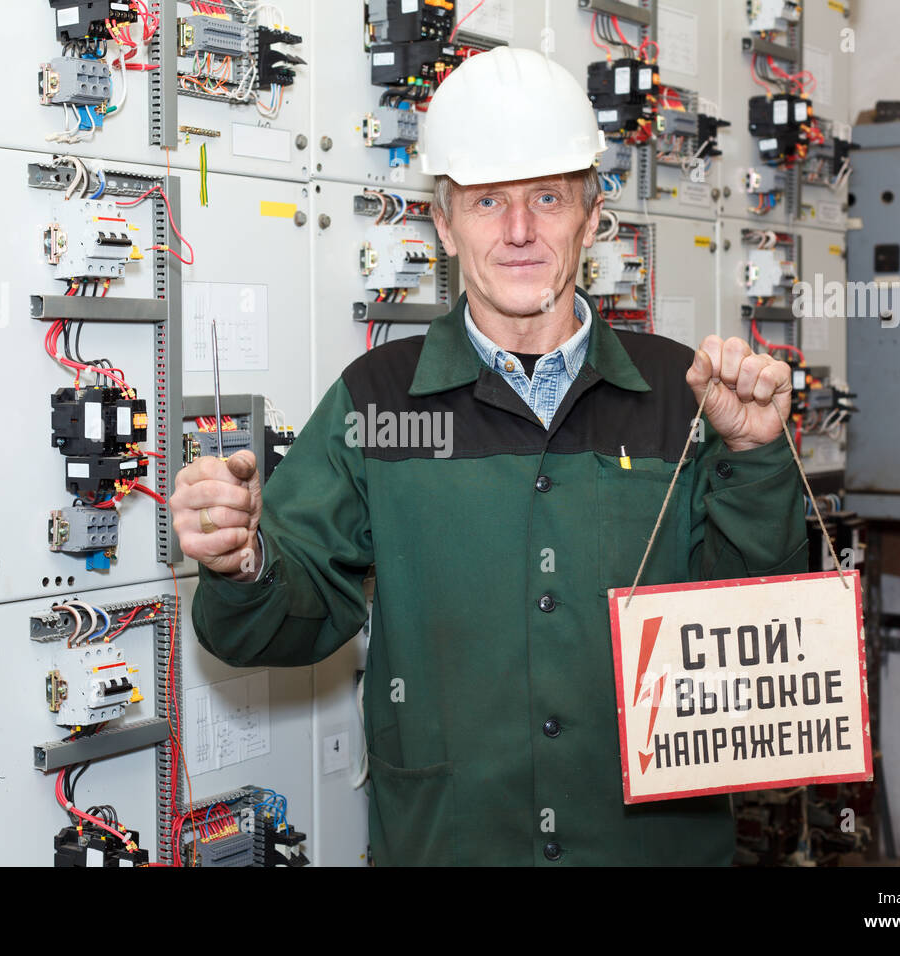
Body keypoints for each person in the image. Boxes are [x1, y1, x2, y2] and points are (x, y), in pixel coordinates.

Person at [170, 47, 807, 865]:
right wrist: (243, 560)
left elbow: (762, 625)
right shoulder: (379, 402)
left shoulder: (681, 392)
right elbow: (288, 617)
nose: (518, 232)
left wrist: (756, 457)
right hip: (454, 842)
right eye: (486, 201)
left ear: (590, 211)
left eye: (547, 197)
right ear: (442, 220)